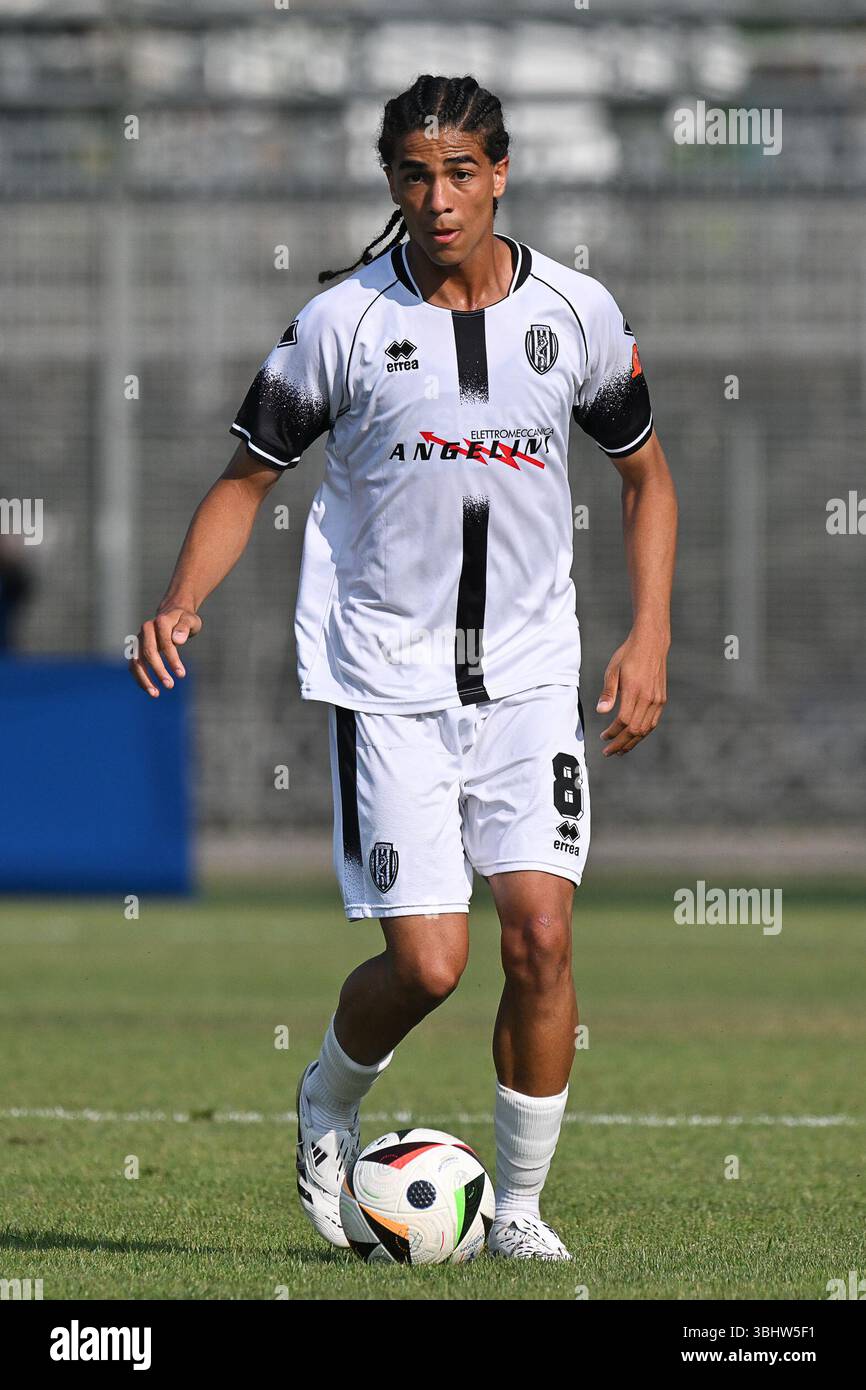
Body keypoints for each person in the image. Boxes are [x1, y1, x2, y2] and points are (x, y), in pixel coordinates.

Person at [130, 73, 678, 1262]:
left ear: (501, 173)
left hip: (531, 677)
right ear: (391, 181)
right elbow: (245, 482)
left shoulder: (576, 312)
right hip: (387, 680)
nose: (438, 199)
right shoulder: (340, 325)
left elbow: (645, 476)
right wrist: (180, 600)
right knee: (429, 963)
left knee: (539, 937)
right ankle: (328, 1097)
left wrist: (650, 632)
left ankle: (520, 1212)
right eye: (414, 176)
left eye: (461, 173)